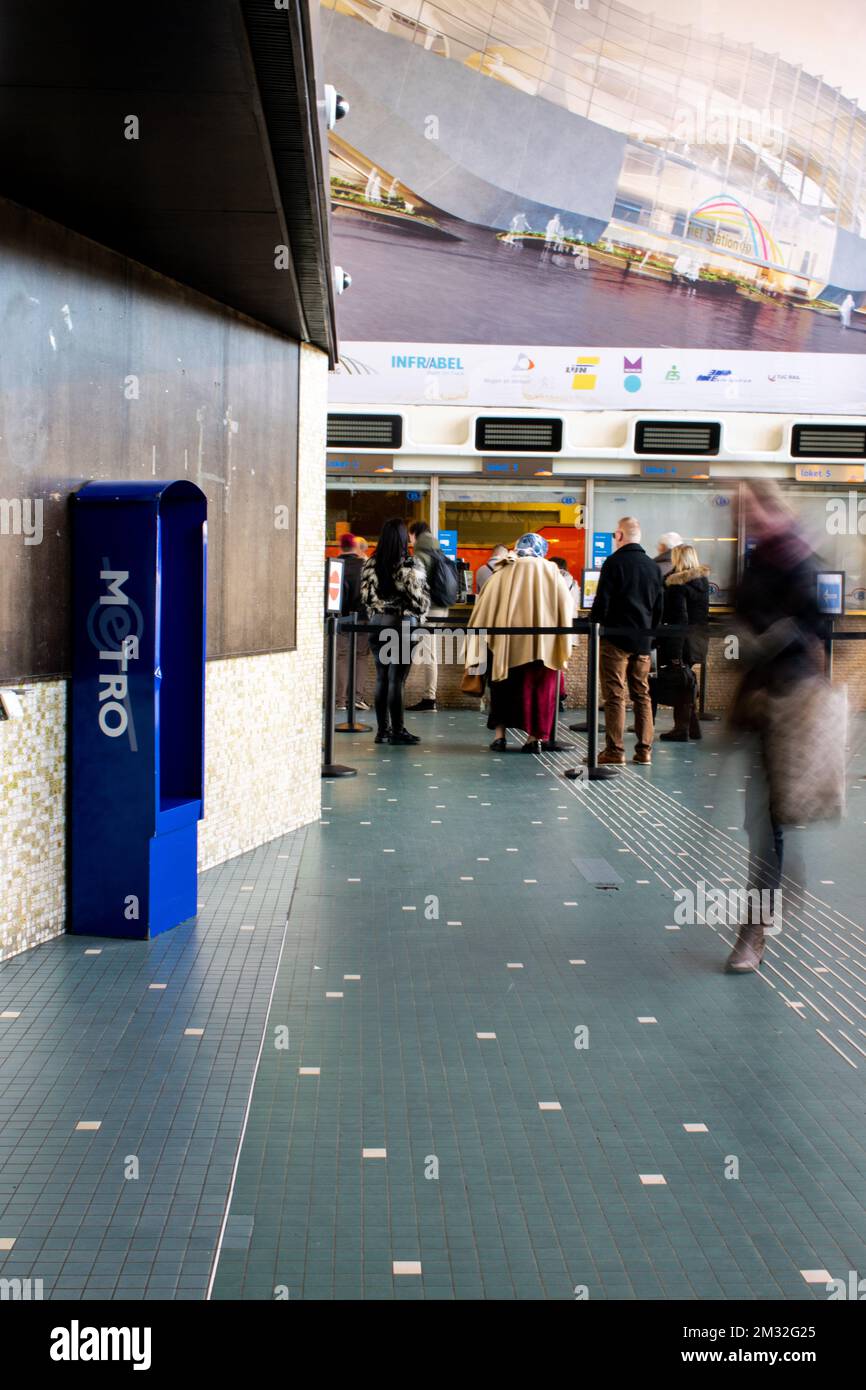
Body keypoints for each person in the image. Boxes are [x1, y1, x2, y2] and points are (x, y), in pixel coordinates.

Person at [725, 481, 828, 974]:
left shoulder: (799, 560)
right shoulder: (757, 559)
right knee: (761, 818)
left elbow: (815, 634)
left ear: (773, 508)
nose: (747, 518)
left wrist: (766, 638)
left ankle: (756, 928)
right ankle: (772, 897)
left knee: (770, 820)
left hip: (788, 702)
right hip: (757, 704)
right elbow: (740, 613)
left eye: (752, 509)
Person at [466, 533, 571, 753]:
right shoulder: (551, 571)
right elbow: (565, 607)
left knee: (502, 690)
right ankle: (534, 738)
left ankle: (500, 736)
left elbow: (482, 610)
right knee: (540, 692)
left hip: (505, 645)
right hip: (543, 647)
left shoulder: (502, 571)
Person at [589, 516, 663, 766]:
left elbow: (603, 602)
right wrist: (650, 638)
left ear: (620, 535)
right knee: (642, 694)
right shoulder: (653, 567)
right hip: (643, 640)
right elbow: (659, 607)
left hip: (615, 639)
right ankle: (644, 751)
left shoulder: (614, 563)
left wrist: (596, 624)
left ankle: (615, 750)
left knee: (615, 695)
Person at [360, 518, 430, 745]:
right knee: (396, 680)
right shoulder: (409, 564)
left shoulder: (371, 562)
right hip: (401, 624)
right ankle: (398, 731)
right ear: (402, 538)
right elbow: (419, 602)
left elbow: (365, 598)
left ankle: (383, 731)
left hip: (377, 623)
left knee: (381, 677)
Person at [654, 543, 710, 741]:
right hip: (698, 639)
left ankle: (681, 729)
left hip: (681, 641)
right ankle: (691, 728)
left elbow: (680, 619)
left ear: (678, 559)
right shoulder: (702, 582)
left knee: (681, 682)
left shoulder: (678, 584)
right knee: (686, 682)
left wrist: (675, 651)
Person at [406, 520, 451, 712]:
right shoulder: (438, 552)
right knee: (426, 651)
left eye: (410, 535)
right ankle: (428, 696)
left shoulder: (420, 555)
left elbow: (415, 586)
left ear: (414, 534)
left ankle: (430, 698)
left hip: (428, 609)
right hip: (441, 608)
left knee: (429, 653)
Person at [334, 534, 369, 712]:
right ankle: (357, 697)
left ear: (340, 548)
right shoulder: (365, 566)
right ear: (355, 547)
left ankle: (340, 700)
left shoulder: (334, 565)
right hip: (363, 617)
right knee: (361, 656)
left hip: (341, 618)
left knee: (341, 656)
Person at [550, 555, 580, 710]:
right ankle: (559, 696)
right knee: (560, 665)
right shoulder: (574, 583)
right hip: (570, 630)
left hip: (555, 628)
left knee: (553, 665)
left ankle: (558, 697)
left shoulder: (552, 580)